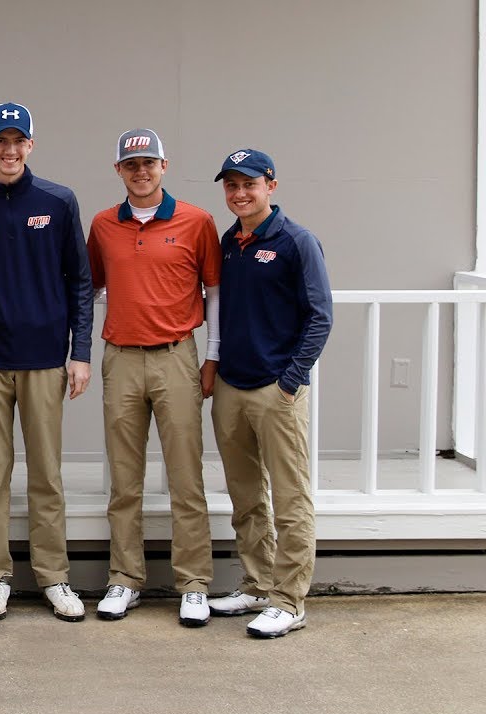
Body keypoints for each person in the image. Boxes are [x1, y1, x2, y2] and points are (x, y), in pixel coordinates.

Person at [0, 102, 94, 622]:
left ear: (31, 145)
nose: (10, 150)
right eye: (0, 141)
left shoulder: (58, 201)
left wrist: (80, 354)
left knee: (47, 473)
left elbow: (81, 282)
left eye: (19, 141)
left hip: (45, 359)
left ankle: (54, 577)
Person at [86, 128, 220, 627]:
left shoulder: (196, 221)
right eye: (131, 165)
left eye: (149, 163)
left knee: (186, 476)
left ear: (164, 166)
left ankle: (194, 583)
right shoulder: (103, 225)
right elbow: (92, 286)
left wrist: (212, 357)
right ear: (119, 171)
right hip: (120, 357)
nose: (140, 172)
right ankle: (124, 578)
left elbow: (214, 292)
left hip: (176, 356)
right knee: (125, 479)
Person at [208, 149, 332, 638]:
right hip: (231, 387)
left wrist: (291, 379)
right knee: (245, 496)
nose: (240, 193)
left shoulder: (297, 241)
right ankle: (258, 584)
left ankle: (290, 599)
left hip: (275, 389)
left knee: (290, 497)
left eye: (250, 184)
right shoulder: (231, 242)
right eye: (231, 185)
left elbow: (320, 316)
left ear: (271, 186)